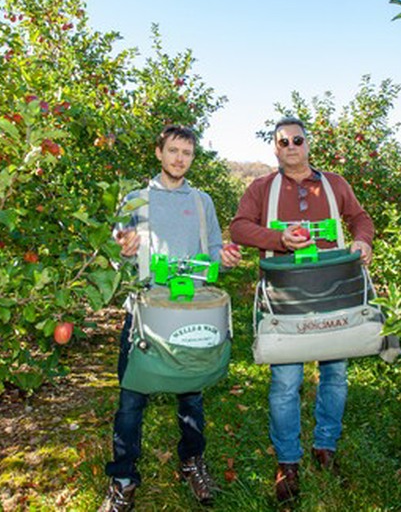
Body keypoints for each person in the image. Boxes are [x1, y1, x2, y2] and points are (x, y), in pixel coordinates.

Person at [228, 116, 374, 504]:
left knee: (335, 375)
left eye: (297, 140)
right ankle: (288, 460)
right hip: (286, 296)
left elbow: (360, 218)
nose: (291, 146)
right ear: (275, 149)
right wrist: (278, 238)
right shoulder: (262, 188)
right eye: (283, 142)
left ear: (308, 144)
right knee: (286, 382)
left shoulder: (335, 184)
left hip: (333, 290)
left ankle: (326, 447)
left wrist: (362, 241)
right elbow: (239, 228)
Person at [99, 125, 243, 512]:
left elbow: (213, 256)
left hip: (190, 312)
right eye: (173, 151)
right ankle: (123, 478)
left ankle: (192, 461)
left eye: (188, 153)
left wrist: (224, 260)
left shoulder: (202, 203)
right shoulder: (136, 201)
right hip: (145, 313)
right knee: (131, 399)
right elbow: (119, 259)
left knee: (192, 396)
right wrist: (124, 250)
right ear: (159, 152)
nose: (180, 159)